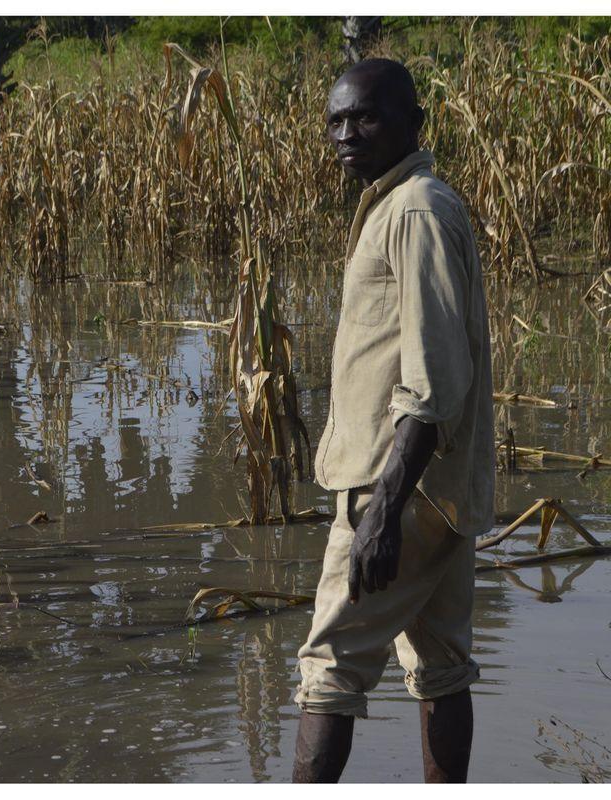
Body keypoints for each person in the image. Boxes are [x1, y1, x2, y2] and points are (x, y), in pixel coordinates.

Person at [291, 58, 495, 783]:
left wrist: (382, 508)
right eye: (335, 122)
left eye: (365, 117)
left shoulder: (414, 210)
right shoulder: (403, 205)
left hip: (397, 492)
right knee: (442, 667)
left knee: (327, 672)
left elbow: (433, 379)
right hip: (431, 494)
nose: (346, 134)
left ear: (414, 123)